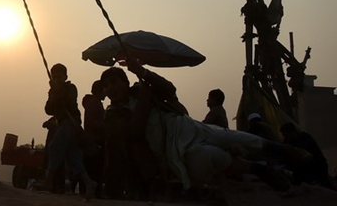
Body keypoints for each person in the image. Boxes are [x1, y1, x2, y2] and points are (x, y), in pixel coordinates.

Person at [100, 60, 308, 195]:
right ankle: (259, 170)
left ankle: (286, 152)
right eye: (107, 85)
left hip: (184, 126)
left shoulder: (140, 89)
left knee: (236, 137)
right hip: (170, 151)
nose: (111, 88)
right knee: (211, 157)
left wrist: (142, 71)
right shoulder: (112, 116)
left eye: (114, 82)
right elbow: (135, 132)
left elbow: (169, 89)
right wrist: (145, 98)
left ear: (126, 83)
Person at [42, 63, 96, 198]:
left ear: (65, 76)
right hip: (62, 124)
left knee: (54, 146)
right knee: (73, 158)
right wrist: (53, 94)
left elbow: (69, 101)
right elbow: (48, 110)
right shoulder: (54, 90)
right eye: (55, 77)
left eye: (59, 77)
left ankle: (49, 178)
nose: (57, 79)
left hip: (70, 123)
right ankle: (89, 182)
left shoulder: (70, 88)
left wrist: (57, 91)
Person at [279, 122, 336, 189]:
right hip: (302, 169)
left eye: (286, 135)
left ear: (292, 133)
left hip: (315, 166)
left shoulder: (305, 138)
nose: (285, 137)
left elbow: (314, 156)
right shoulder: (288, 142)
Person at [82, 79, 106, 194]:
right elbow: (93, 123)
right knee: (94, 169)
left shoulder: (92, 103)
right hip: (95, 142)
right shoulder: (94, 103)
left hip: (91, 141)